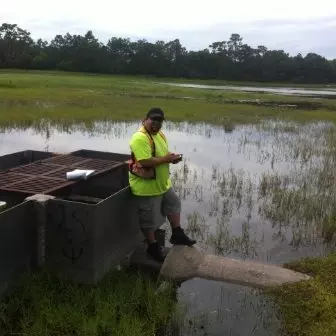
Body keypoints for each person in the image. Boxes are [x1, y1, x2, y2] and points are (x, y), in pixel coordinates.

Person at [128, 107, 196, 262]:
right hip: (146, 187)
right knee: (148, 220)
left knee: (174, 203)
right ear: (145, 119)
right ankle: (152, 247)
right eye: (154, 119)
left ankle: (177, 234)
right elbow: (145, 161)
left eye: (160, 121)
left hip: (162, 184)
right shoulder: (139, 138)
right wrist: (166, 159)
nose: (156, 123)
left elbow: (161, 155)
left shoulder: (160, 135)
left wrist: (172, 157)